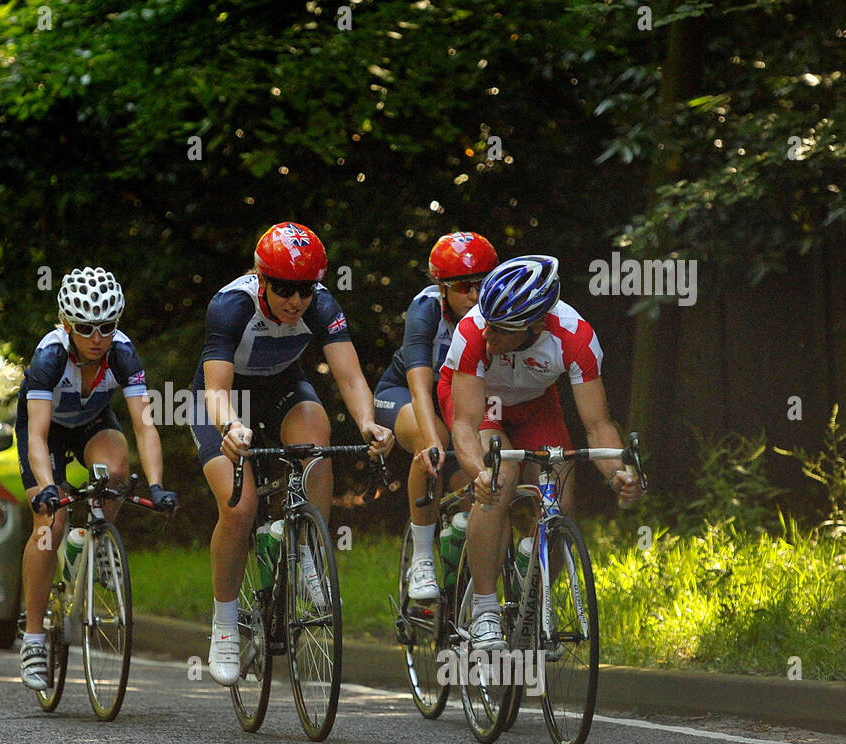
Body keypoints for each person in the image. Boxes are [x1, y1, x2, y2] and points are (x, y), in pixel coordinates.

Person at [190, 221, 393, 686]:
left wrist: (368, 423)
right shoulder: (230, 305)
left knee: (316, 445)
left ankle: (306, 551)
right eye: (284, 288)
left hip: (282, 387)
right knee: (240, 507)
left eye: (305, 289)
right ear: (260, 278)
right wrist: (229, 426)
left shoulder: (321, 305)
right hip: (226, 399)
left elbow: (351, 379)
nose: (295, 301)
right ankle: (224, 625)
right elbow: (216, 390)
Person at [440, 255, 644, 650]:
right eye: (488, 323)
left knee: (560, 497)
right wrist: (477, 473)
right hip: (481, 405)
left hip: (535, 405)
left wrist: (619, 473)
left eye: (500, 330)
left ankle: (534, 594)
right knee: (498, 480)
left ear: (534, 326)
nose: (488, 337)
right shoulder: (472, 332)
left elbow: (598, 426)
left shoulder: (574, 336)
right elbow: (464, 423)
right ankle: (484, 609)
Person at [16, 267, 177, 689]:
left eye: (106, 327)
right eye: (85, 327)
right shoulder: (50, 357)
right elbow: (35, 434)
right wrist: (49, 488)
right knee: (49, 524)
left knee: (117, 471)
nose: (96, 338)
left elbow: (145, 427)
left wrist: (157, 486)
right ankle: (33, 637)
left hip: (91, 423)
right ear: (67, 323)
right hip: (46, 432)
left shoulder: (123, 353)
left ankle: (96, 540)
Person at [373, 232, 498, 601]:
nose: (475, 295)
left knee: (474, 477)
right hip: (405, 393)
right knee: (435, 442)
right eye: (463, 286)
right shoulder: (425, 309)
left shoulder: (499, 309)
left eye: (483, 284)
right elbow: (418, 388)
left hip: (457, 400)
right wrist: (430, 441)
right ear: (442, 288)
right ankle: (423, 556)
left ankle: (463, 575)